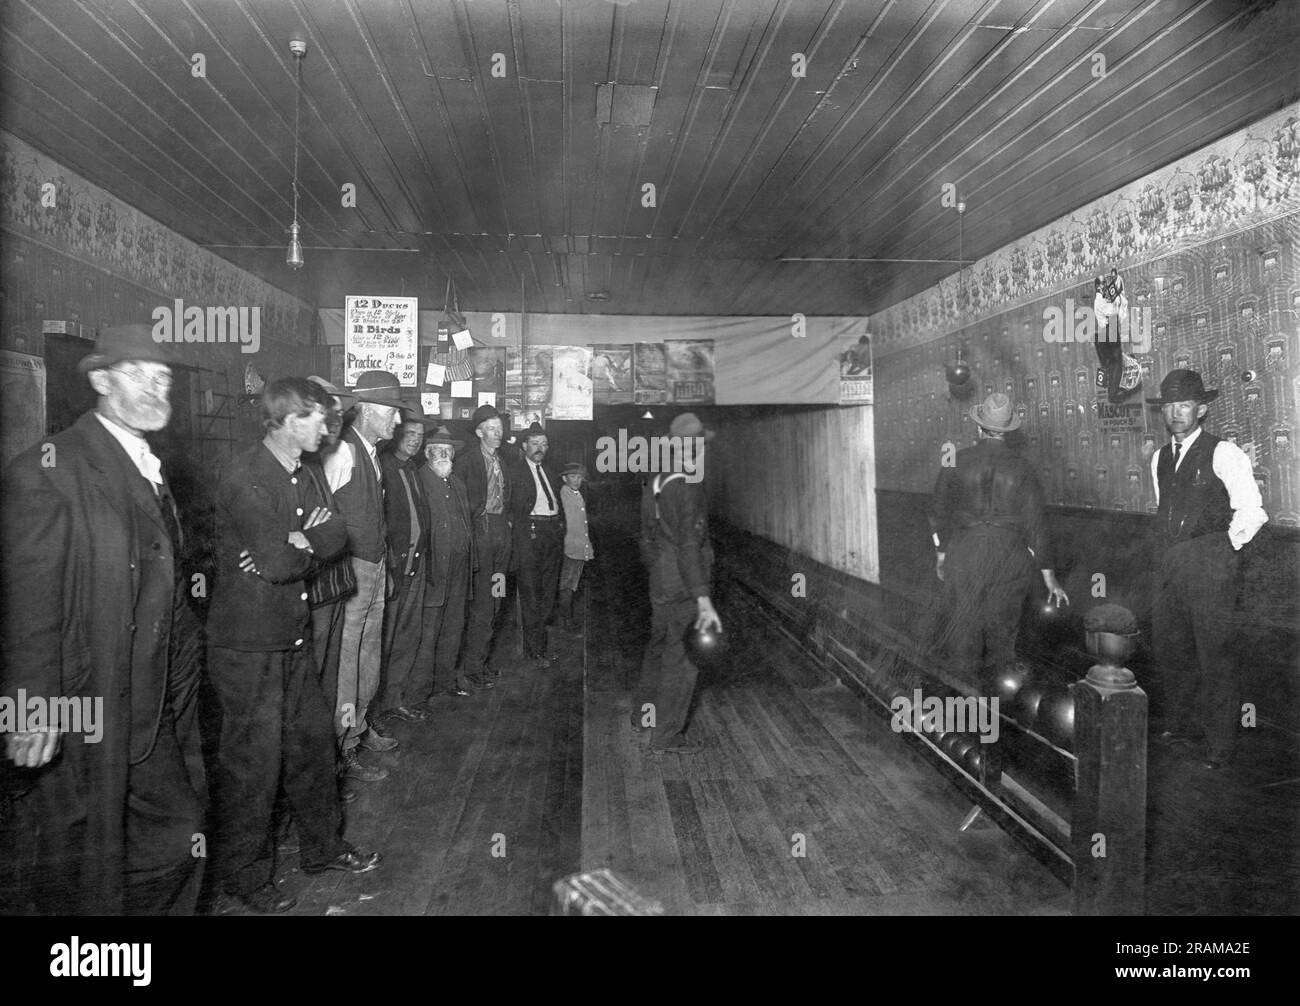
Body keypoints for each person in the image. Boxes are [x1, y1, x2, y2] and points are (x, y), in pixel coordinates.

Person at [0, 323, 205, 914]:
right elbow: (26, 600)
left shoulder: (146, 462)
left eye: (162, 377)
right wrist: (30, 708)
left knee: (176, 841)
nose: (154, 387)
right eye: (136, 374)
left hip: (149, 701)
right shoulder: (53, 466)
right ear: (99, 380)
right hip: (83, 704)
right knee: (82, 861)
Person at [206, 378, 381, 914]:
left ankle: (321, 850)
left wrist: (298, 540)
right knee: (253, 767)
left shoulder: (300, 471)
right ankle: (244, 876)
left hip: (290, 633)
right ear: (286, 419)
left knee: (311, 748)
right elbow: (283, 562)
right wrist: (300, 541)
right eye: (317, 419)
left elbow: (338, 534)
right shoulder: (246, 474)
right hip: (247, 645)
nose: (327, 428)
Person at [1147, 370, 1266, 770]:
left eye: (1184, 405)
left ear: (1201, 409)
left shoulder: (1224, 452)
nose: (1176, 413)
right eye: (1169, 405)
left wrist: (1220, 550)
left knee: (1216, 655)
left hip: (1211, 564)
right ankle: (1182, 726)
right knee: (1171, 648)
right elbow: (1165, 508)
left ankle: (1220, 747)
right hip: (1171, 564)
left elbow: (1251, 511)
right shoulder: (1159, 458)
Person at [928, 393, 1069, 693]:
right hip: (1009, 557)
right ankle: (998, 716)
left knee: (962, 635)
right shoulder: (1023, 467)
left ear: (979, 428)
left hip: (964, 553)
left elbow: (938, 513)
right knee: (1003, 641)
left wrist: (942, 554)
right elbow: (1036, 523)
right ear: (1008, 432)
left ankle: (962, 717)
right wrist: (1049, 577)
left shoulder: (956, 460)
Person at [325, 371, 403, 782]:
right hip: (351, 570)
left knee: (368, 656)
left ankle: (358, 728)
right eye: (391, 413)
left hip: (373, 567)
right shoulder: (342, 452)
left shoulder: (372, 452)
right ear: (368, 411)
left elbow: (375, 518)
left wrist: (385, 566)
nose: (397, 423)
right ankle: (341, 750)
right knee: (348, 661)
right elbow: (323, 514)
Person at [632, 413, 722, 755]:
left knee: (659, 645)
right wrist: (702, 598)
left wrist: (657, 566)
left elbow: (646, 534)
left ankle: (644, 714)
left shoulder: (655, 480)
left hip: (661, 579)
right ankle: (666, 735)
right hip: (684, 582)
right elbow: (689, 546)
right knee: (682, 660)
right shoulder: (687, 486)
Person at [374, 415, 437, 723]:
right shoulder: (383, 466)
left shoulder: (412, 469)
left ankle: (393, 699)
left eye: (420, 435)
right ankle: (371, 712)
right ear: (397, 434)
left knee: (407, 636)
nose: (415, 439)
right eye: (410, 433)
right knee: (384, 639)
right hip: (395, 566)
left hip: (417, 564)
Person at [414, 426, 477, 700]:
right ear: (427, 454)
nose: (444, 455)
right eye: (438, 451)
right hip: (433, 570)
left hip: (460, 567)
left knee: (454, 625)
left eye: (448, 451)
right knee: (428, 631)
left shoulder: (457, 483)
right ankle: (419, 691)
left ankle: (446, 679)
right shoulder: (419, 480)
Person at [453, 404, 512, 688]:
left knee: (497, 599)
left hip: (501, 533)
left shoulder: (502, 459)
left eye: (500, 428)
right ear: (479, 432)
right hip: (482, 534)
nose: (497, 433)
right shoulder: (466, 461)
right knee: (483, 603)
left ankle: (481, 662)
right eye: (491, 428)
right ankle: (472, 667)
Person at [510, 421, 565, 666]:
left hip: (552, 533)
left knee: (548, 592)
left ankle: (539, 644)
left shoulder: (551, 472)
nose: (540, 448)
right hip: (529, 534)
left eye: (544, 444)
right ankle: (534, 650)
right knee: (531, 593)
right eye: (534, 443)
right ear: (524, 446)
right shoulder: (515, 471)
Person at [557, 461, 594, 633]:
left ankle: (566, 619)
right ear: (564, 478)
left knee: (572, 585)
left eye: (579, 477)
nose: (577, 480)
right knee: (567, 585)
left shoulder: (577, 493)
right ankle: (565, 621)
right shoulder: (564, 493)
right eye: (572, 476)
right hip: (570, 547)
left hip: (580, 546)